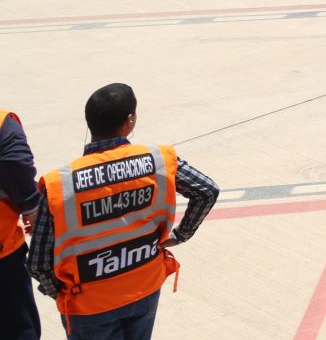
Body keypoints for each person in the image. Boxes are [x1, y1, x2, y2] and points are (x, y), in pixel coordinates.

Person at [31, 84, 218, 339]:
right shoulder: (158, 160)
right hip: (144, 286)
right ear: (129, 120)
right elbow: (206, 190)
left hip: (89, 305)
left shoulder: (60, 184)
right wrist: (180, 235)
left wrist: (64, 293)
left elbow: (39, 263)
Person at [1, 107, 42, 339]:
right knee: (18, 330)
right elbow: (17, 167)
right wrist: (32, 208)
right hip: (3, 259)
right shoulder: (2, 125)